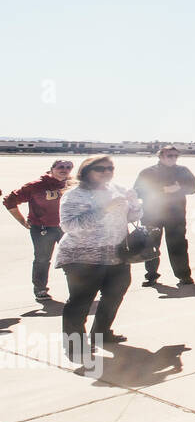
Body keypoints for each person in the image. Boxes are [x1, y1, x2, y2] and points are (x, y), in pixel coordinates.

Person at [55, 156, 141, 365]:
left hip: (116, 254)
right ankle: (74, 346)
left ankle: (101, 334)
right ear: (86, 171)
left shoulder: (117, 189)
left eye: (110, 168)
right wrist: (104, 209)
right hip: (82, 256)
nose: (106, 172)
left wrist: (134, 203)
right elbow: (69, 226)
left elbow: (132, 217)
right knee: (80, 302)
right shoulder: (75, 195)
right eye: (100, 169)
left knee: (114, 295)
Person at [5, 159, 73, 300]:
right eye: (61, 166)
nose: (64, 169)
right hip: (43, 229)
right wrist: (22, 221)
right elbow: (10, 200)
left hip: (66, 228)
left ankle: (77, 289)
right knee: (42, 259)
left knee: (73, 258)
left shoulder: (72, 185)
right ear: (52, 168)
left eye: (68, 167)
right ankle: (40, 289)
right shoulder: (36, 185)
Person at [133, 145, 195, 287]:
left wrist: (180, 187)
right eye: (170, 156)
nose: (173, 158)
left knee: (178, 246)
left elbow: (194, 188)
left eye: (176, 155)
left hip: (176, 215)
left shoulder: (183, 171)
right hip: (152, 214)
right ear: (160, 156)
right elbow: (137, 191)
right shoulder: (148, 172)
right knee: (150, 245)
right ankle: (151, 276)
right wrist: (163, 190)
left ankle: (184, 276)